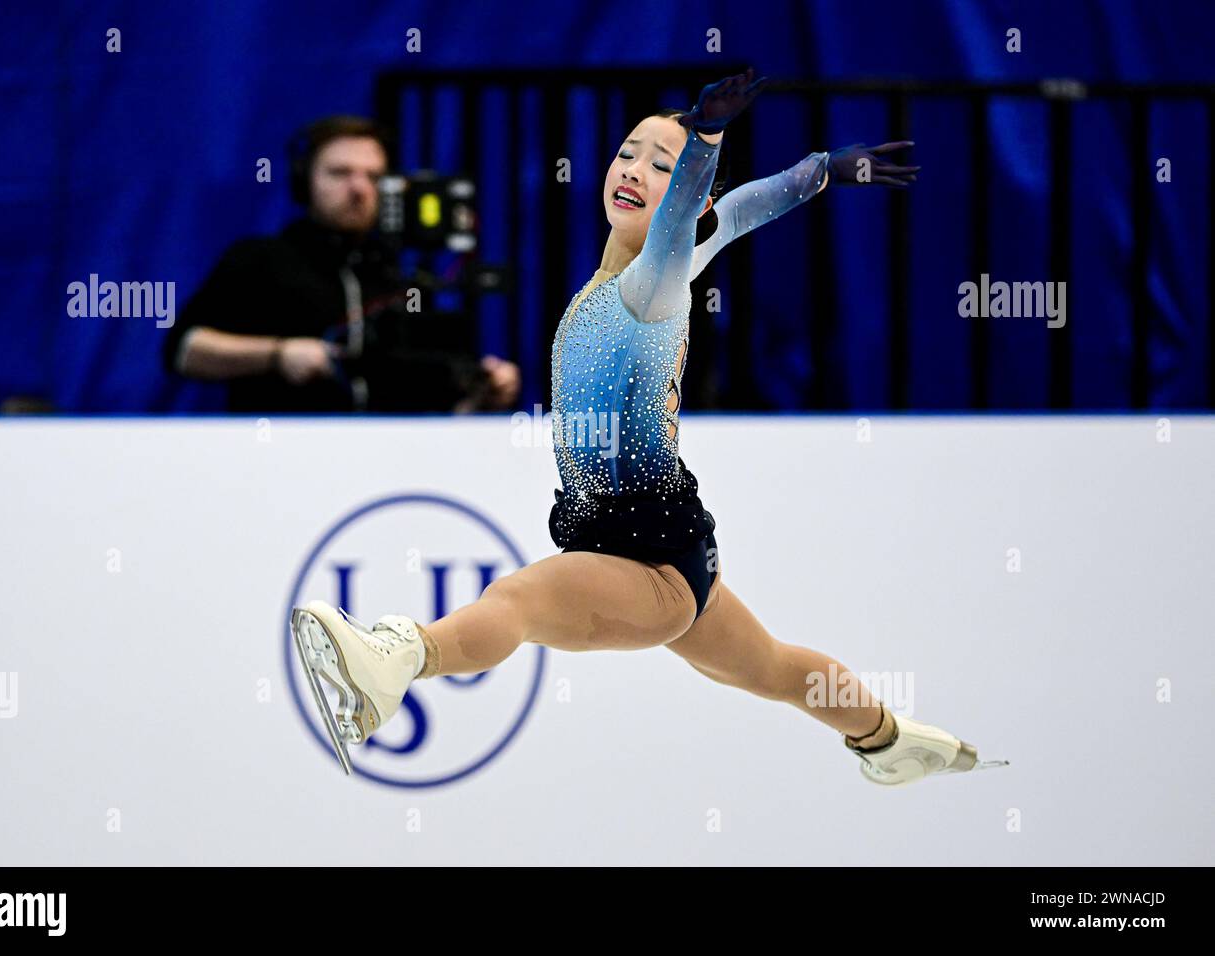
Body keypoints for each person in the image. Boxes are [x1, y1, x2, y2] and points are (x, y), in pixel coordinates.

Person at [290, 71, 1007, 784]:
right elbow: (747, 208)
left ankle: (396, 659)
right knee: (773, 669)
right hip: (652, 544)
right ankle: (890, 740)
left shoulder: (655, 284)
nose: (635, 171)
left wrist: (708, 140)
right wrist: (821, 170)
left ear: (685, 198)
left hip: (650, 558)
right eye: (629, 152)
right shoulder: (660, 266)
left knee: (517, 600)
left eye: (661, 166)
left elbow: (695, 210)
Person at [161, 115, 520, 413]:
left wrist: (483, 393)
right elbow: (185, 350)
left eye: (373, 177)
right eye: (340, 173)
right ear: (305, 182)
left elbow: (434, 403)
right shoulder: (261, 259)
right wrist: (277, 354)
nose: (359, 188)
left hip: (390, 471)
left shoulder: (402, 277)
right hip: (280, 462)